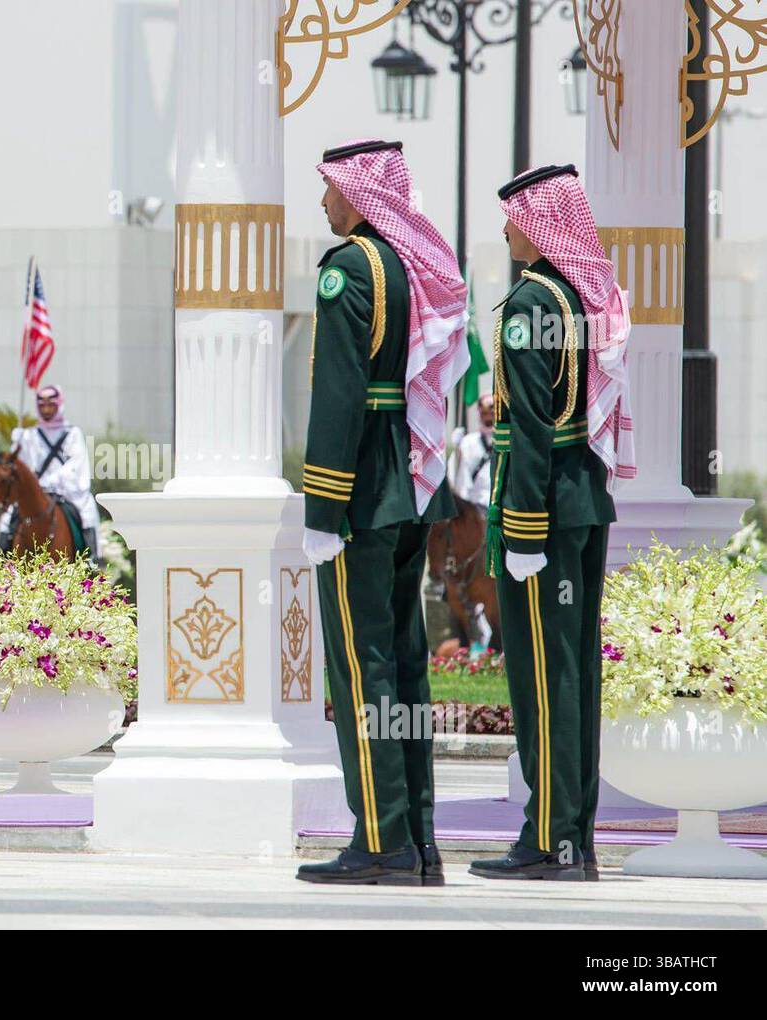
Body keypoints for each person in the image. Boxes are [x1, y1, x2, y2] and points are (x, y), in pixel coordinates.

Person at [295, 140, 468, 887]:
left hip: (361, 494)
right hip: (412, 484)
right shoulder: (405, 266)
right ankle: (418, 838)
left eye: (331, 190)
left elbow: (339, 396)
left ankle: (379, 842)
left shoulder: (347, 271)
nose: (325, 204)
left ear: (361, 196)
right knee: (406, 670)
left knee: (363, 673)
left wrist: (322, 504)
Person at [469, 165, 632, 881]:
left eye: (512, 218)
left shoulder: (530, 304)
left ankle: (547, 841)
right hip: (580, 499)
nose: (505, 230)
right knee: (570, 674)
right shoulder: (574, 297)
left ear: (537, 225)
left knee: (544, 679)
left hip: (541, 510)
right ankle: (575, 839)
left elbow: (533, 426)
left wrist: (525, 531)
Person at [0, 385, 102, 565]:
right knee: (8, 517)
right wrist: (17, 445)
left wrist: (53, 480)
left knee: (87, 511)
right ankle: (3, 559)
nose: (46, 409)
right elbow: (20, 465)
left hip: (64, 490)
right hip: (36, 490)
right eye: (42, 405)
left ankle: (91, 559)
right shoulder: (30, 435)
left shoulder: (72, 433)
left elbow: (76, 464)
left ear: (58, 405)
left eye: (50, 405)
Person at [449, 393, 495, 508]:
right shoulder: (468, 442)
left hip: (499, 506)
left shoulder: (507, 440)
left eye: (492, 413)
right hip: (475, 507)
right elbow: (458, 477)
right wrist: (458, 449)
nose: (488, 417)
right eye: (484, 413)